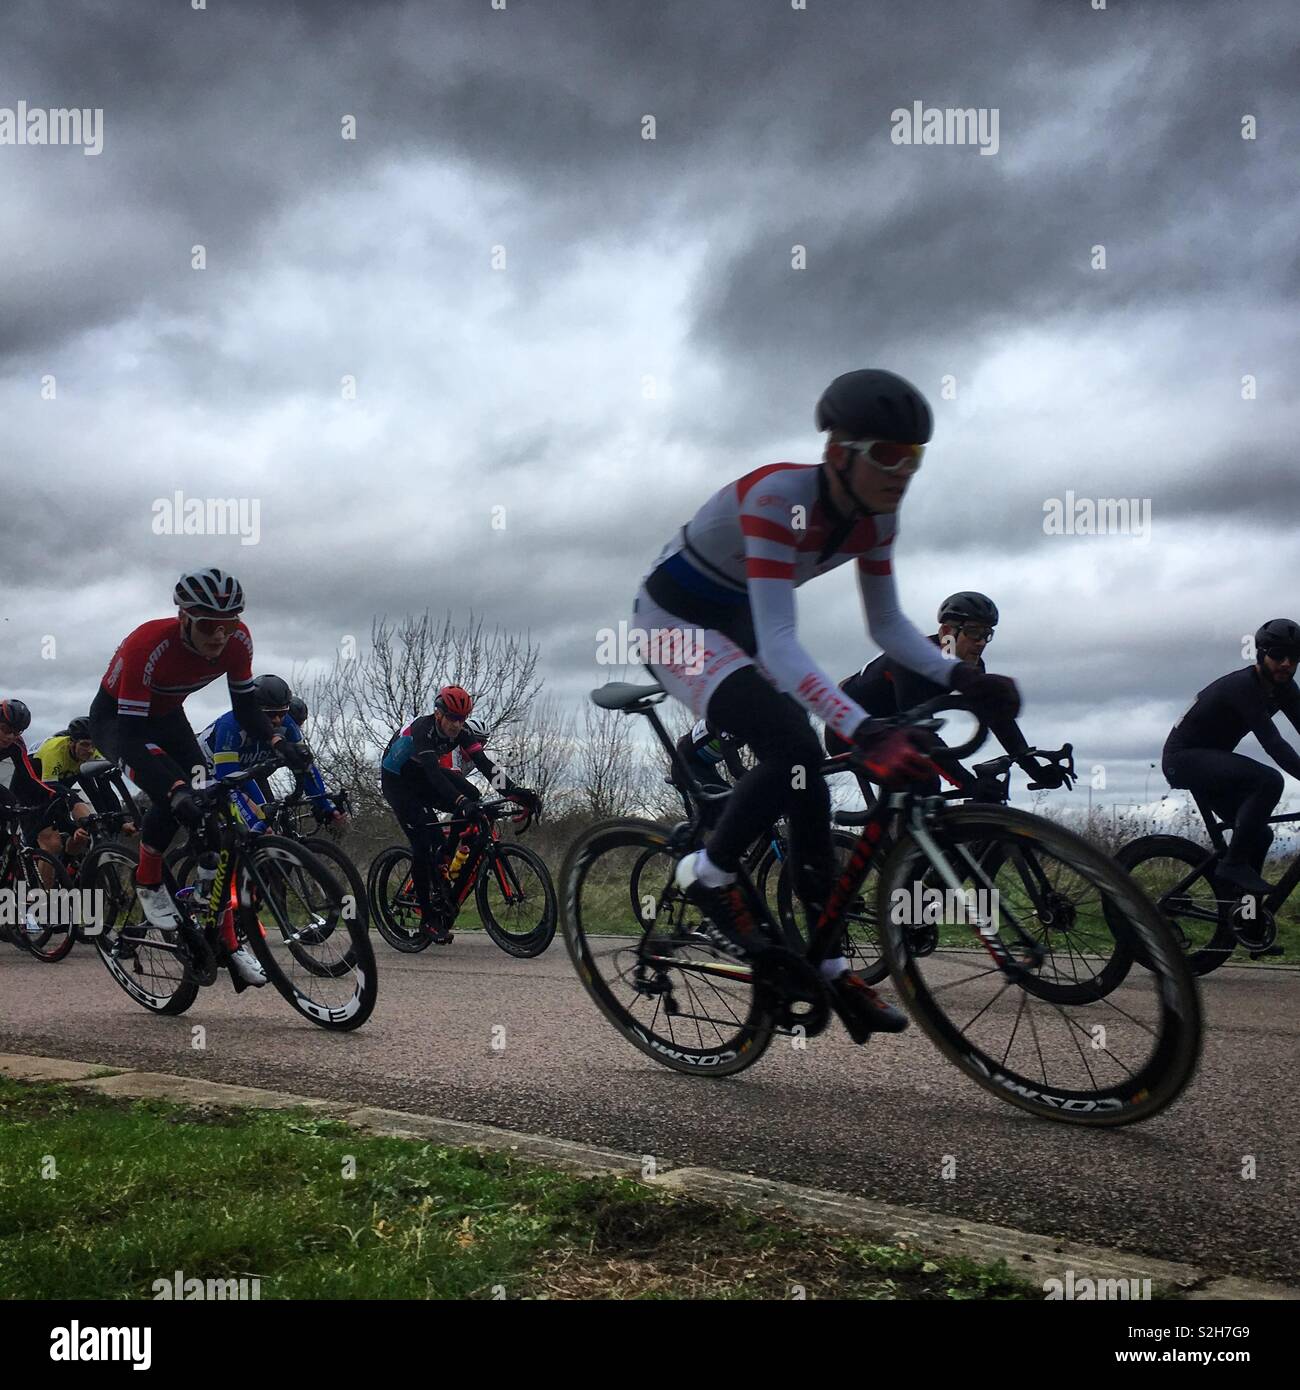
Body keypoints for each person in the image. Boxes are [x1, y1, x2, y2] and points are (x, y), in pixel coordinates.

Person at [631, 368, 1019, 1041]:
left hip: (740, 624)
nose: (903, 472)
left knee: (804, 775)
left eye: (915, 458)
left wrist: (962, 677)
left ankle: (831, 962)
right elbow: (782, 642)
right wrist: (864, 728)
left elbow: (890, 627)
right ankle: (710, 873)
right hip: (676, 622)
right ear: (840, 451)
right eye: (889, 456)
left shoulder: (879, 518)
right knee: (794, 743)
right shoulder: (779, 500)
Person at [89, 568, 313, 985]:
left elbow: (247, 709)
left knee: (213, 815)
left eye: (228, 625)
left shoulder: (239, 640)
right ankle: (148, 880)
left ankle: (227, 940)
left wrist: (280, 744)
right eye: (210, 625)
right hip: (120, 723)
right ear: (184, 618)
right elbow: (134, 739)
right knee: (175, 795)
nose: (219, 636)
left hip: (169, 715)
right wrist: (173, 790)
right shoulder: (148, 646)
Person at [826, 591, 1065, 800]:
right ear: (946, 632)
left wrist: (1034, 768)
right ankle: (902, 850)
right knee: (922, 781)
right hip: (847, 730)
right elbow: (920, 733)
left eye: (987, 634)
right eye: (973, 632)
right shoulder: (911, 659)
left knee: (925, 787)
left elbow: (997, 719)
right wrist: (969, 783)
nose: (981, 642)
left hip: (890, 727)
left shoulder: (972, 667)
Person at [380, 686, 540, 943]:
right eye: (453, 718)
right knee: (423, 843)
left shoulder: (462, 733)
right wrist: (459, 801)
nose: (457, 724)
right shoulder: (424, 729)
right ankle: (428, 921)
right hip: (398, 782)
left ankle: (446, 859)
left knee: (474, 799)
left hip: (420, 775)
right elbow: (434, 773)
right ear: (439, 713)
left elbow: (486, 765)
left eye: (462, 719)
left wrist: (516, 792)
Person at [1163, 618, 1300, 897]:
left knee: (1260, 835)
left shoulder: (1284, 688)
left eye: (1295, 657)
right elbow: (1273, 744)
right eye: (1277, 654)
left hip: (1211, 761)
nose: (1287, 663)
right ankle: (1233, 864)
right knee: (1269, 780)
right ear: (1260, 654)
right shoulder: (1243, 686)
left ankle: (1243, 919)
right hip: (1183, 760)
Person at [196, 675, 344, 832]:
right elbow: (227, 781)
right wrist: (254, 822)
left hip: (242, 772)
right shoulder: (231, 726)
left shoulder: (287, 725)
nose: (278, 720)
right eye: (271, 714)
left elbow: (305, 766)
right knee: (239, 825)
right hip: (203, 770)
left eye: (283, 712)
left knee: (265, 821)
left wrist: (326, 805)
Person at [0, 699, 91, 897]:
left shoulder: (16, 743)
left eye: (16, 732)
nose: (9, 736)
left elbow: (29, 776)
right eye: (5, 729)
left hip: (23, 792)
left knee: (14, 806)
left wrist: (54, 794)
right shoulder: (53, 750)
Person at [33, 717, 138, 836]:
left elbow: (104, 789)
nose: (90, 750)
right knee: (66, 808)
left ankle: (109, 831)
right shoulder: (54, 751)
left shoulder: (93, 752)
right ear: (71, 743)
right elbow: (51, 787)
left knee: (99, 784)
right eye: (84, 745)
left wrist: (120, 822)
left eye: (93, 745)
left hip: (70, 772)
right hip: (38, 782)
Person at [669, 719, 748, 813]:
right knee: (729, 805)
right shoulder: (724, 722)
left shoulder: (749, 727)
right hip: (684, 766)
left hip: (705, 766)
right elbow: (735, 769)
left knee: (732, 802)